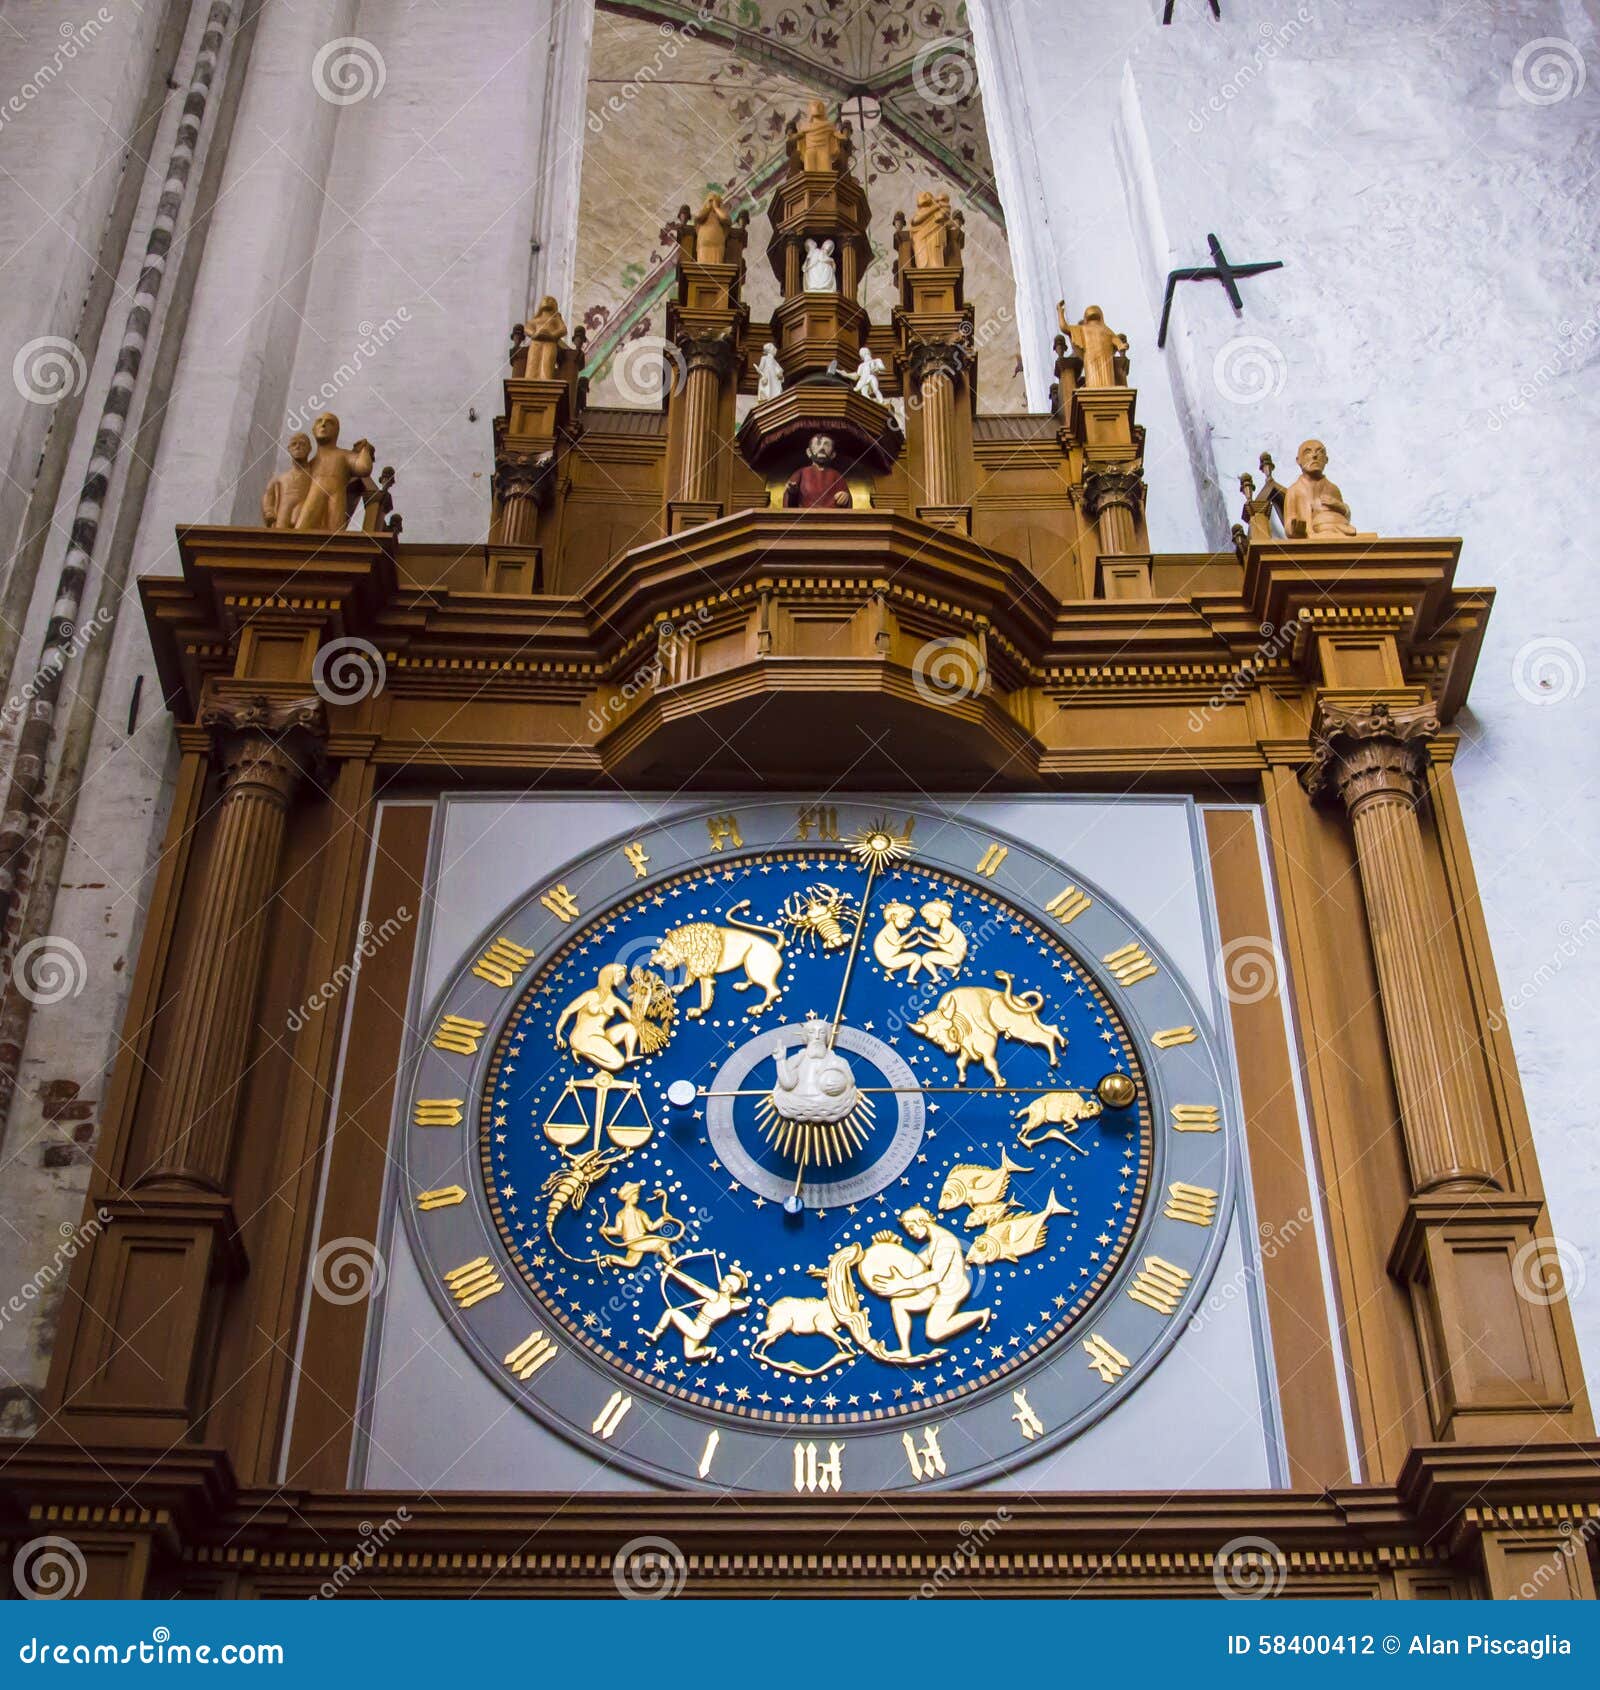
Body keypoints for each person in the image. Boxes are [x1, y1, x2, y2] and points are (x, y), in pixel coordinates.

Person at [1284, 438, 1360, 537]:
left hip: (1336, 532)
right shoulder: (1294, 490)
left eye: (1320, 452)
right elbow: (1289, 523)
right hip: (1312, 535)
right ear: (1298, 460)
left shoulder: (1332, 489)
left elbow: (1345, 517)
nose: (1314, 456)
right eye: (1308, 452)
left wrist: (1339, 506)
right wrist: (1295, 528)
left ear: (1326, 460)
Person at [783, 434, 853, 509]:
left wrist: (845, 498)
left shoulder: (836, 475)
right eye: (818, 444)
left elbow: (847, 503)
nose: (822, 448)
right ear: (809, 452)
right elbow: (789, 506)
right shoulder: (801, 473)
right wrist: (792, 493)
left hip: (831, 515)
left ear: (833, 455)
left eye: (826, 445)